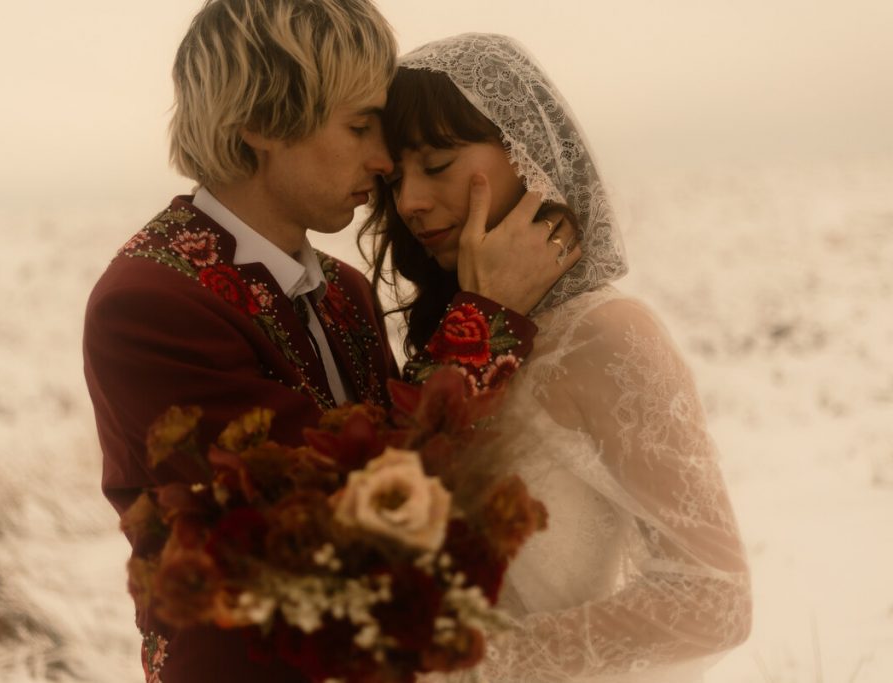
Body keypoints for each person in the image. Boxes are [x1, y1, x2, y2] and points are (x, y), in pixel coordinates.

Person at [82, 4, 580, 682]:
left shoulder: (344, 290)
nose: (382, 160)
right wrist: (486, 320)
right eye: (358, 125)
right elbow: (346, 531)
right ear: (259, 123)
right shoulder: (150, 304)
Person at [361, 33, 752, 682]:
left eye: (435, 164)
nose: (410, 204)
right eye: (396, 178)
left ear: (528, 152)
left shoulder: (604, 334)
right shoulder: (451, 338)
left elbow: (717, 596)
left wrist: (476, 668)